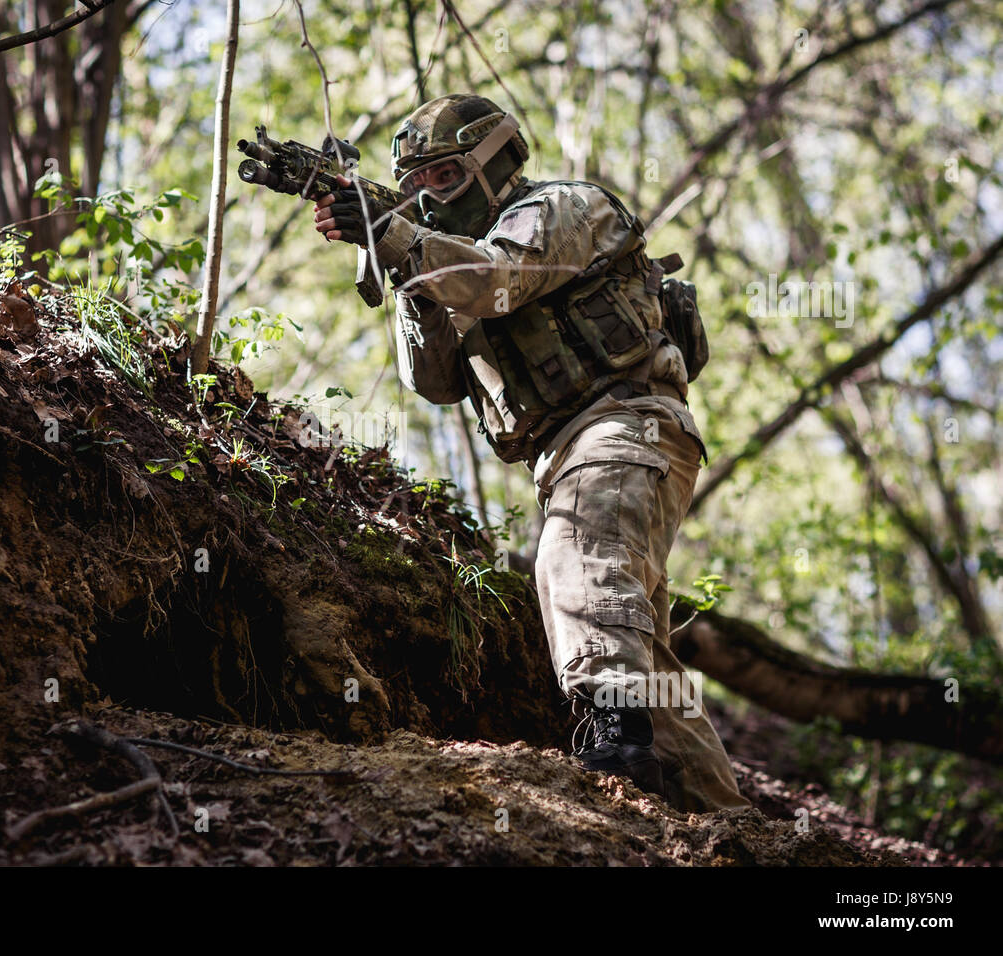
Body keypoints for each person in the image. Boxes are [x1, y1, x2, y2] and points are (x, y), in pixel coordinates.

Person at [313, 93, 750, 813]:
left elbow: (496, 281)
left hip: (627, 424)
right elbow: (436, 383)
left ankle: (613, 739)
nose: (429, 195)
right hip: (569, 453)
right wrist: (395, 261)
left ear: (494, 164)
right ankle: (727, 825)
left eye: (446, 178)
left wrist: (395, 233)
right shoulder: (441, 255)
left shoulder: (561, 210)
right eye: (415, 182)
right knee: (651, 662)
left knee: (572, 553)